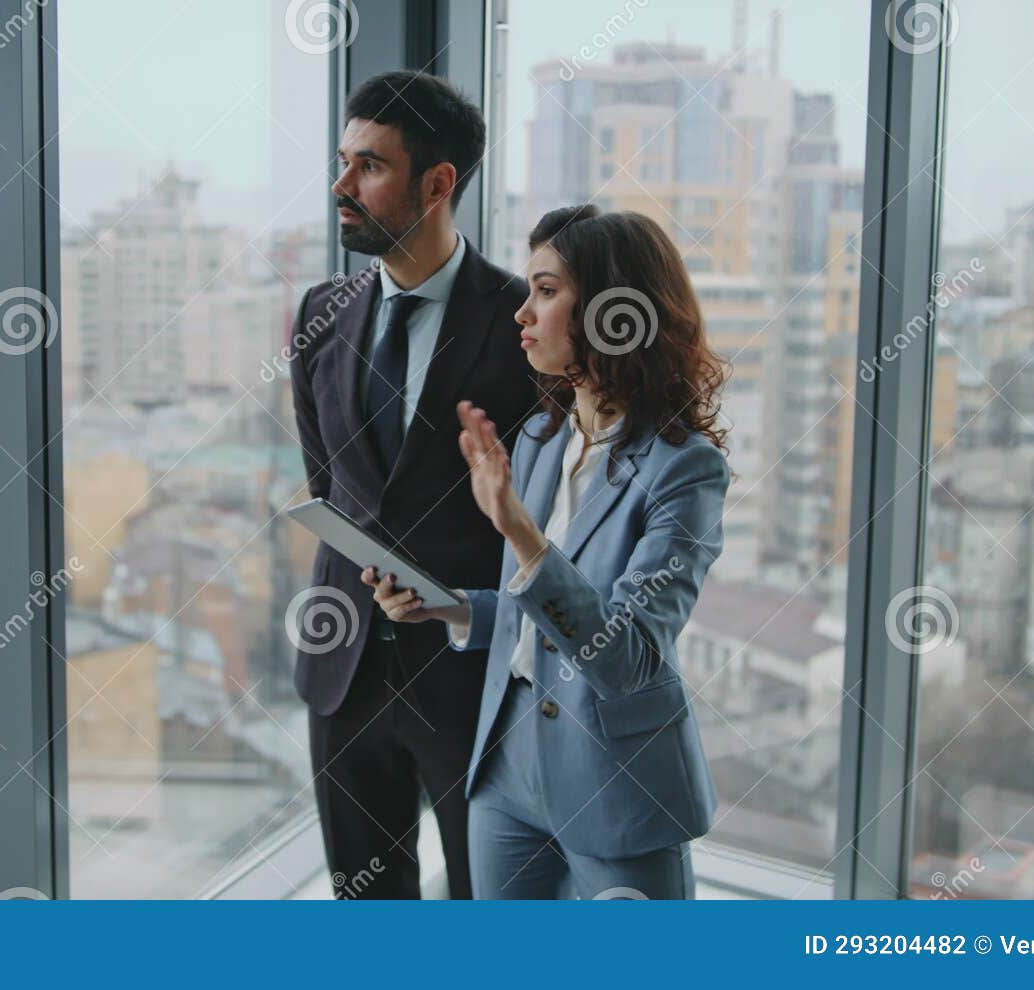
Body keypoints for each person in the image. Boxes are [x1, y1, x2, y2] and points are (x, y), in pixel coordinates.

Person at [363, 204, 731, 898]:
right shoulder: (540, 439)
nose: (522, 312)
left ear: (613, 312)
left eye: (547, 290)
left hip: (618, 782)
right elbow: (528, 613)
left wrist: (519, 530)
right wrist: (446, 608)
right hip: (507, 765)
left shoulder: (685, 469)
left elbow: (626, 659)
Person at [288, 70, 535, 899]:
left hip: (474, 682)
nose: (341, 187)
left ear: (437, 184)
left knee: (486, 906)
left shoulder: (522, 324)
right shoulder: (319, 313)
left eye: (369, 167)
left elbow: (544, 519)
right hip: (344, 670)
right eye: (342, 163)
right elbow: (333, 487)